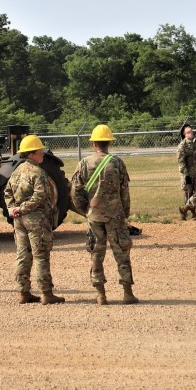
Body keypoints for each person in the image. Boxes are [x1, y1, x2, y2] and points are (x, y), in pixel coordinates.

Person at [70, 124, 137, 306]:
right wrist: (125, 212)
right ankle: (127, 293)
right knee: (122, 252)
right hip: (115, 216)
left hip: (94, 216)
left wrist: (85, 210)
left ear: (94, 144)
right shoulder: (117, 163)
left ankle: (101, 295)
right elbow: (125, 191)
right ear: (108, 143)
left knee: (96, 254)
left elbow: (75, 191)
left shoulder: (84, 163)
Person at [3, 134, 65, 306]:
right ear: (31, 154)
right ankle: (47, 293)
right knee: (41, 255)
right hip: (36, 220)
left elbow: (7, 192)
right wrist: (22, 209)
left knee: (23, 255)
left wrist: (12, 209)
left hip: (19, 220)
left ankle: (23, 292)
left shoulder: (16, 172)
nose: (42, 154)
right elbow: (40, 196)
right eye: (39, 151)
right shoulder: (39, 173)